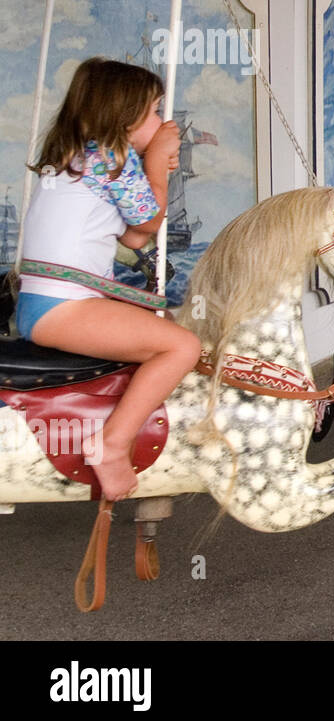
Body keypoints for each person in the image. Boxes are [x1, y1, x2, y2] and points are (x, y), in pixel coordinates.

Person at [17, 57, 200, 501]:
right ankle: (113, 443)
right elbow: (152, 221)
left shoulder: (76, 158)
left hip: (48, 304)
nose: (159, 121)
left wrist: (153, 167)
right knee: (182, 346)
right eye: (153, 111)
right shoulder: (112, 160)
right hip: (65, 307)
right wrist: (156, 161)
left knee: (163, 333)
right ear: (124, 116)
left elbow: (136, 235)